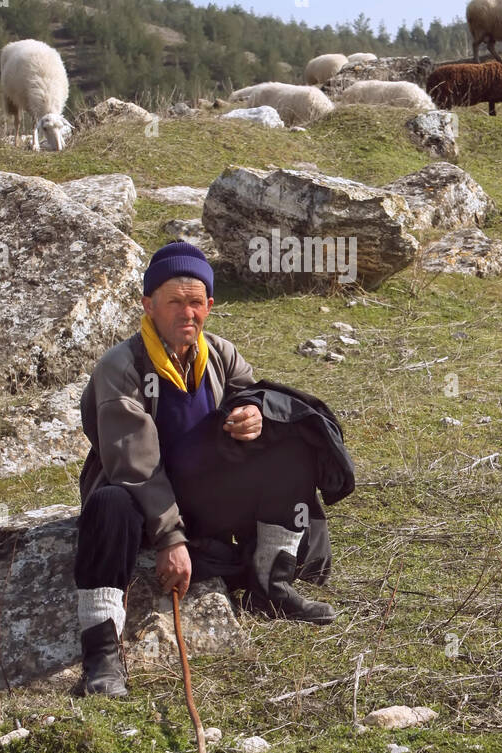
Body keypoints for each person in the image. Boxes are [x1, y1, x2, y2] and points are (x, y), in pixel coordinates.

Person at [73, 240, 352, 697]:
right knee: (108, 504)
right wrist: (169, 539)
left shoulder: (220, 354)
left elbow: (249, 394)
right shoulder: (121, 367)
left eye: (196, 302)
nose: (188, 313)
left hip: (200, 495)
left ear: (210, 305)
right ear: (148, 305)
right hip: (140, 505)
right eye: (175, 302)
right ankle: (102, 652)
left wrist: (253, 417)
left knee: (289, 446)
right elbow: (134, 463)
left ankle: (269, 586)